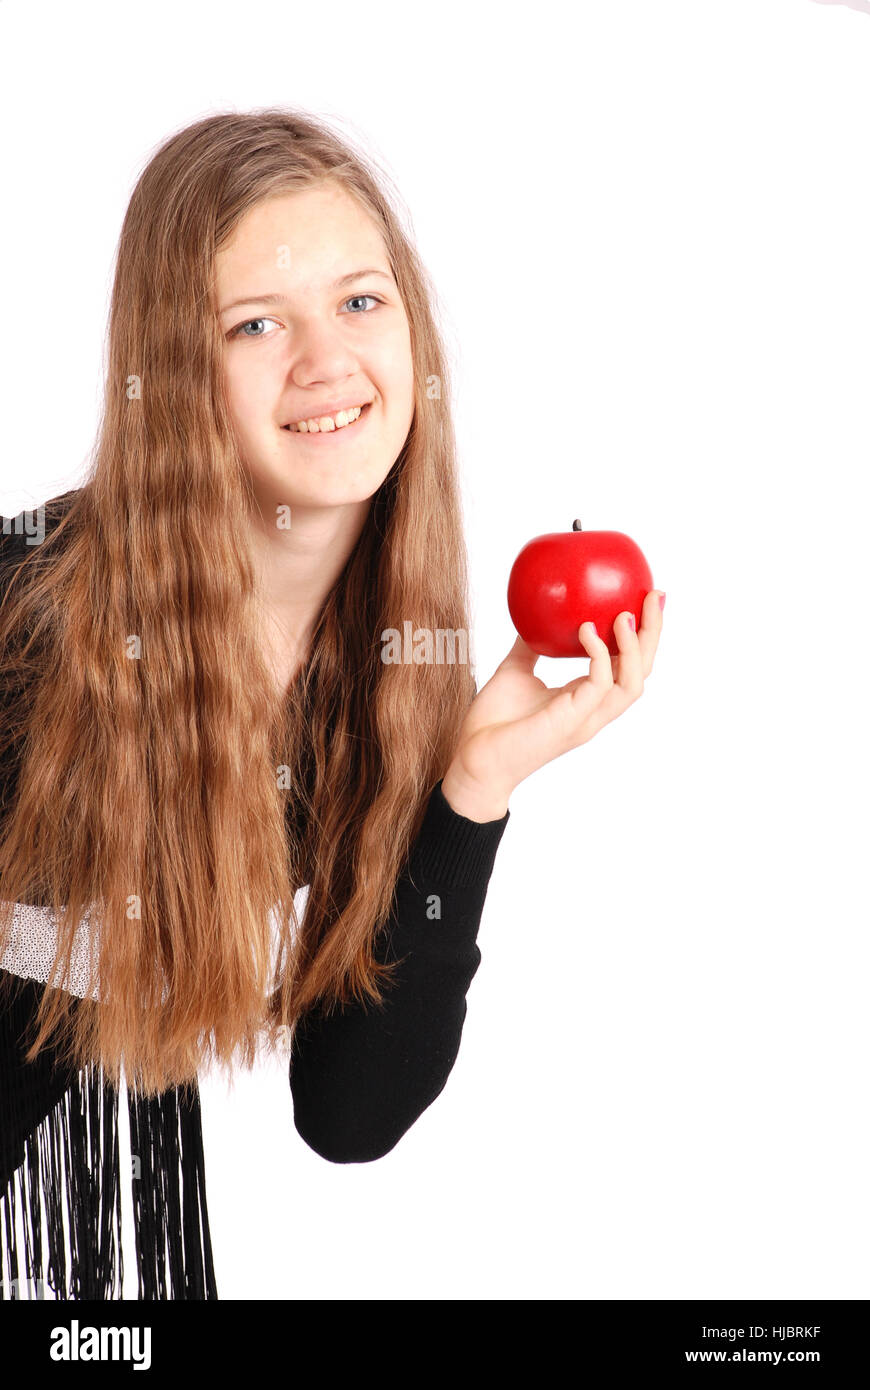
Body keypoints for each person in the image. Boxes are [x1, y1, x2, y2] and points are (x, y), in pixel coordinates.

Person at [0, 109, 664, 1301]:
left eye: (361, 302)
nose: (327, 362)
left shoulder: (395, 675)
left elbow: (351, 1111)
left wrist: (467, 795)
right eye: (257, 324)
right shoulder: (23, 620)